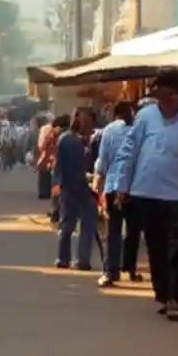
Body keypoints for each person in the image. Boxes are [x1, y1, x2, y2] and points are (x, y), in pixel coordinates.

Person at [111, 68, 178, 321]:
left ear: (175, 93)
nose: (161, 98)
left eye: (165, 92)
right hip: (146, 191)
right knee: (156, 247)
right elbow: (128, 152)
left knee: (177, 247)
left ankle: (175, 298)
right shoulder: (145, 116)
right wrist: (121, 186)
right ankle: (163, 293)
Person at [92, 101, 142, 288]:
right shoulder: (139, 130)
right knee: (133, 230)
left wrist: (99, 180)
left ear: (114, 115)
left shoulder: (110, 130)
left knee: (113, 230)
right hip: (135, 188)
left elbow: (103, 159)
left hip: (113, 186)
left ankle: (110, 272)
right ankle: (130, 268)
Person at [53, 108, 99, 270]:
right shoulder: (69, 141)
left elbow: (58, 168)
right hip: (75, 188)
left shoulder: (69, 139)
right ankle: (78, 259)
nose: (89, 124)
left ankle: (67, 258)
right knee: (80, 223)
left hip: (74, 188)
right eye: (87, 120)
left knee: (69, 224)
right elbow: (65, 167)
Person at [38, 114, 69, 222]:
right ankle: (59, 211)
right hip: (66, 164)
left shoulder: (55, 135)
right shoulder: (70, 135)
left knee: (56, 188)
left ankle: (56, 211)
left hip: (57, 164)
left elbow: (45, 147)